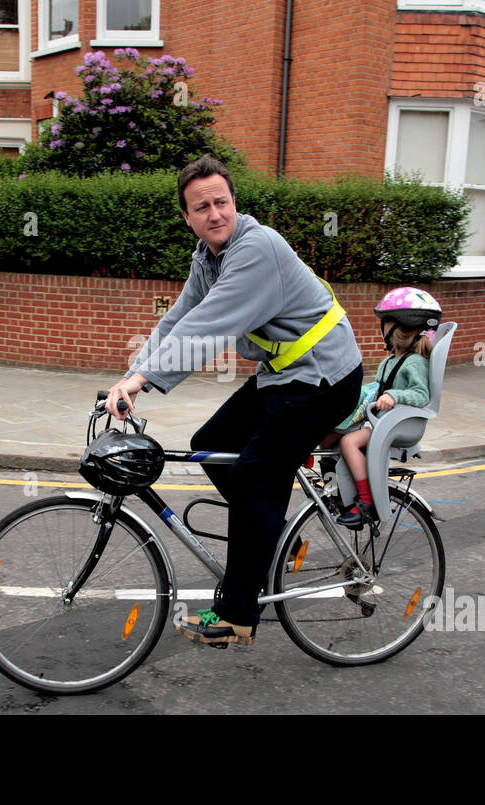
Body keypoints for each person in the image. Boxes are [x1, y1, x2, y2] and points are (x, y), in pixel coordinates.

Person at [104, 154, 363, 648]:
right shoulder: (208, 257)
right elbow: (180, 319)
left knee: (255, 478)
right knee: (212, 442)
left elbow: (209, 326)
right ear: (188, 217)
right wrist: (130, 375)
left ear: (235, 204)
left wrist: (144, 382)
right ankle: (277, 539)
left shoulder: (255, 248)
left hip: (325, 377)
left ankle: (238, 617)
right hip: (287, 376)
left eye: (221, 202)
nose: (214, 213)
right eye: (201, 207)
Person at [323, 287, 441, 528]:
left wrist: (393, 396)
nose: (382, 327)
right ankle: (334, 489)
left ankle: (365, 500)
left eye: (386, 322)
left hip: (393, 423)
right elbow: (376, 389)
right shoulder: (390, 361)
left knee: (348, 442)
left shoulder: (415, 362)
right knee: (328, 436)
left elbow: (421, 395)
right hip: (379, 419)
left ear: (399, 327)